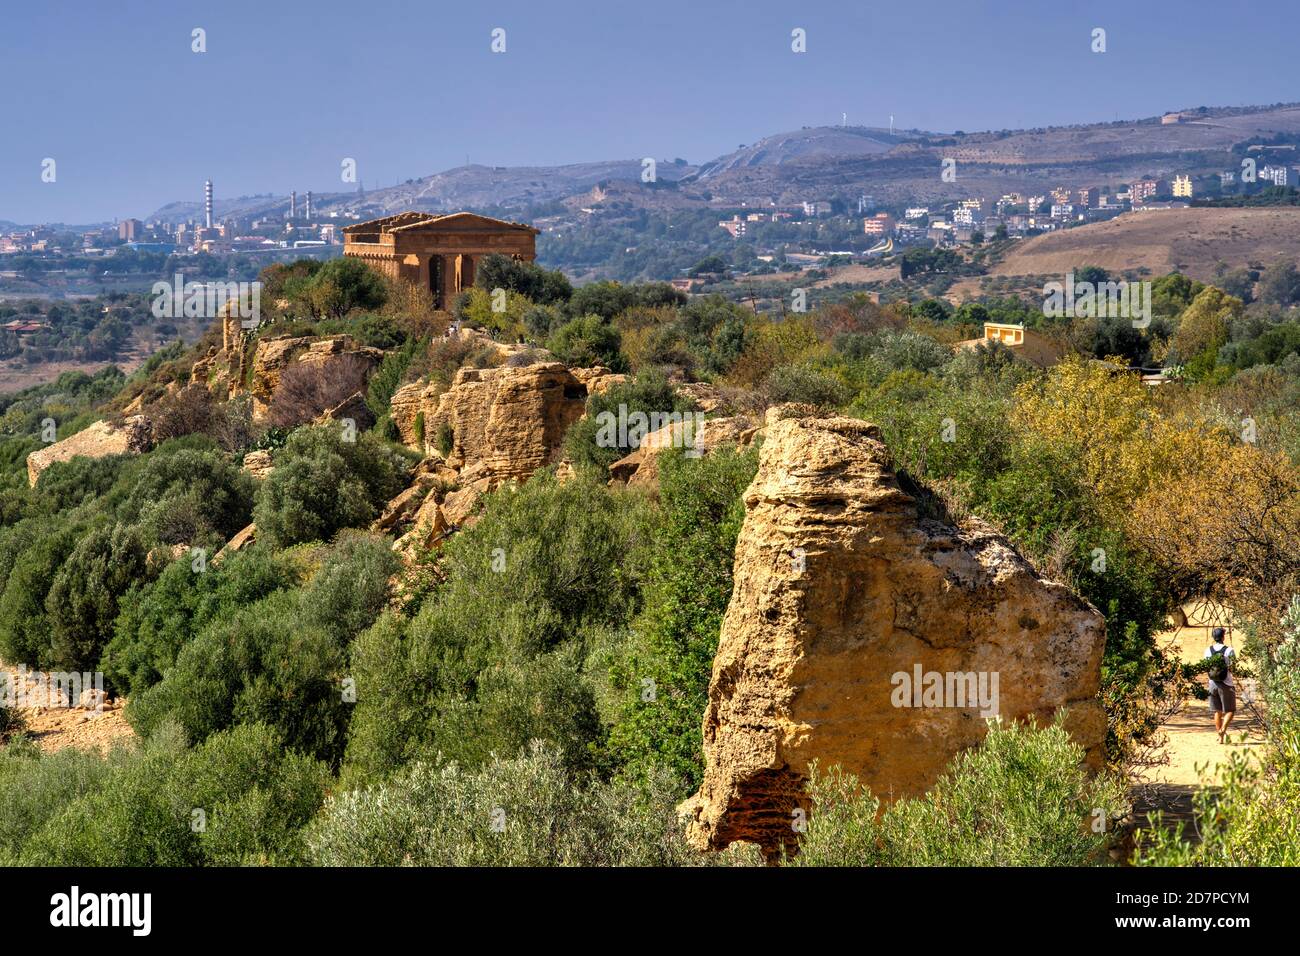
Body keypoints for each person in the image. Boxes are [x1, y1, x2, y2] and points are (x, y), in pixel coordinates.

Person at [1204, 626, 1237, 744]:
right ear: (1223, 637)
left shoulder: (1208, 650)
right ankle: (1223, 730)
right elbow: (1233, 667)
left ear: (1214, 637)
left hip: (1212, 683)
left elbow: (1206, 666)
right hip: (1226, 683)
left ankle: (1220, 738)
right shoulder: (1229, 650)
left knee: (1217, 711)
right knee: (1230, 711)